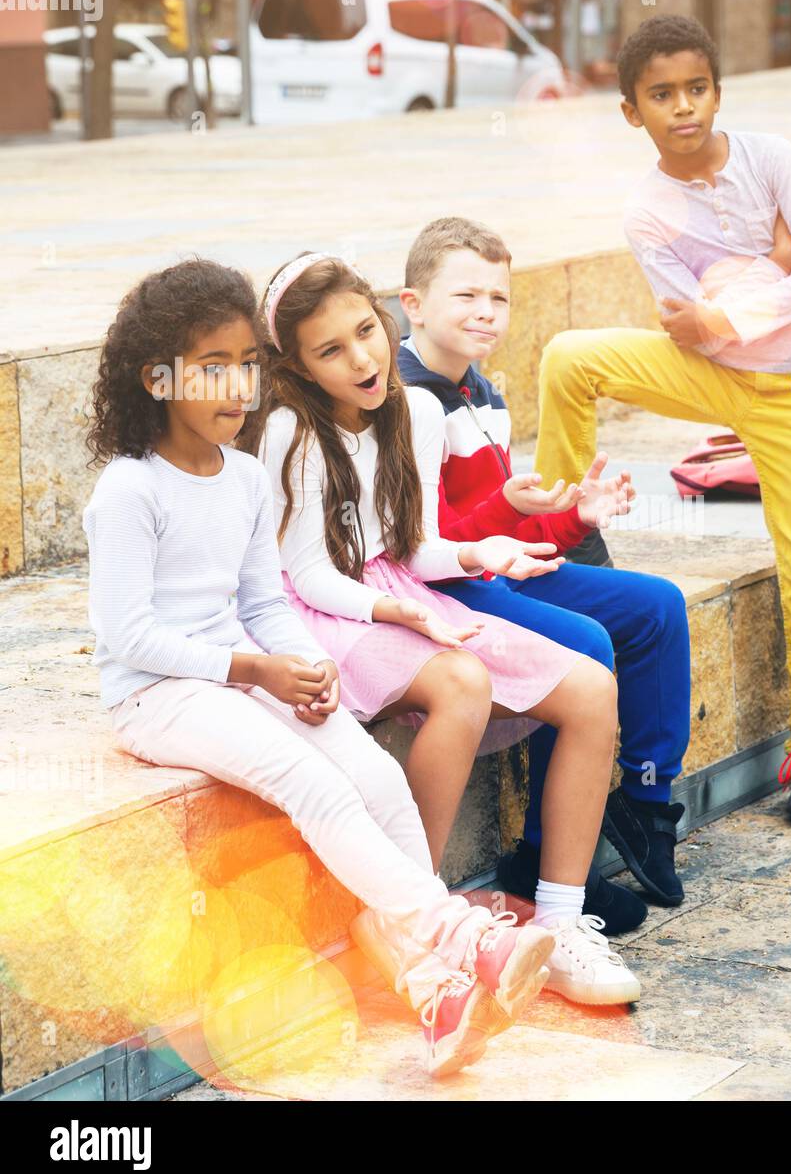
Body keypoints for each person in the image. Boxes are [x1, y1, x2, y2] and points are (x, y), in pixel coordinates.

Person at [82, 258, 552, 1078]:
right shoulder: (130, 490)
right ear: (157, 379)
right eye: (212, 368)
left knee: (376, 777)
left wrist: (300, 663)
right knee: (318, 785)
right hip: (156, 693)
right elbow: (128, 635)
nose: (238, 387)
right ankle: (453, 931)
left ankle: (434, 991)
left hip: (239, 667)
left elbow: (265, 601)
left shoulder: (245, 477)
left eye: (246, 365)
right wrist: (253, 669)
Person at [242, 252, 642, 1007]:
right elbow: (313, 573)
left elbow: (414, 541)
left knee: (590, 687)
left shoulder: (414, 410)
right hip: (321, 608)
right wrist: (396, 611)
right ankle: (412, 917)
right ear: (295, 365)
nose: (362, 358)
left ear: (384, 316)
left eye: (366, 331)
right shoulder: (290, 431)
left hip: (399, 585)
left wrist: (478, 550)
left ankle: (557, 925)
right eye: (331, 350)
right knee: (463, 679)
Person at [534, 14, 791, 820]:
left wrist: (739, 299)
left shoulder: (771, 158)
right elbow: (694, 322)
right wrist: (765, 270)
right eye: (662, 95)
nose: (685, 108)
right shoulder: (648, 209)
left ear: (719, 89)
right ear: (632, 111)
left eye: (697, 88)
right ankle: (564, 524)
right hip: (709, 375)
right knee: (571, 355)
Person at [397, 215, 694, 922]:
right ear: (412, 304)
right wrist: (505, 506)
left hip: (500, 569)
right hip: (447, 585)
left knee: (658, 606)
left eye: (498, 299)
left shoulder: (484, 394)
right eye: (465, 296)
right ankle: (544, 858)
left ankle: (646, 807)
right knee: (581, 642)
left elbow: (508, 524)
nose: (485, 313)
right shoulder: (408, 403)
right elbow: (428, 546)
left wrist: (571, 519)